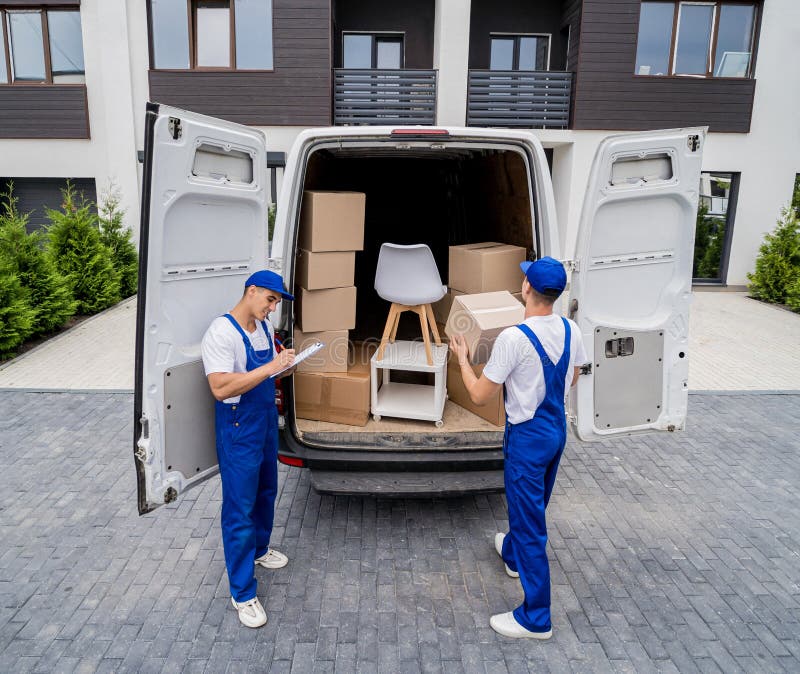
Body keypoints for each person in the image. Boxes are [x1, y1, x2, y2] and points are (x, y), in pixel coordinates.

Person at [449, 256, 588, 639]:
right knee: (533, 503)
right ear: (556, 295)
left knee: (530, 526)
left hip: (527, 438)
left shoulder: (513, 338)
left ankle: (536, 617)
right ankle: (512, 554)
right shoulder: (571, 329)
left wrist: (463, 361)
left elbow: (479, 395)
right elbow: (574, 377)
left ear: (526, 289)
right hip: (555, 431)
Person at [201, 270, 297, 628]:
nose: (272, 308)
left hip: (265, 419)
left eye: (276, 303)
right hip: (238, 425)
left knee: (266, 491)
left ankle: (259, 550)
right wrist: (272, 366)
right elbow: (220, 388)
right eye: (270, 300)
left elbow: (268, 375)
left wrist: (285, 367)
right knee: (239, 508)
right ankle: (242, 593)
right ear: (251, 290)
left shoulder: (265, 329)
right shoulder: (221, 332)